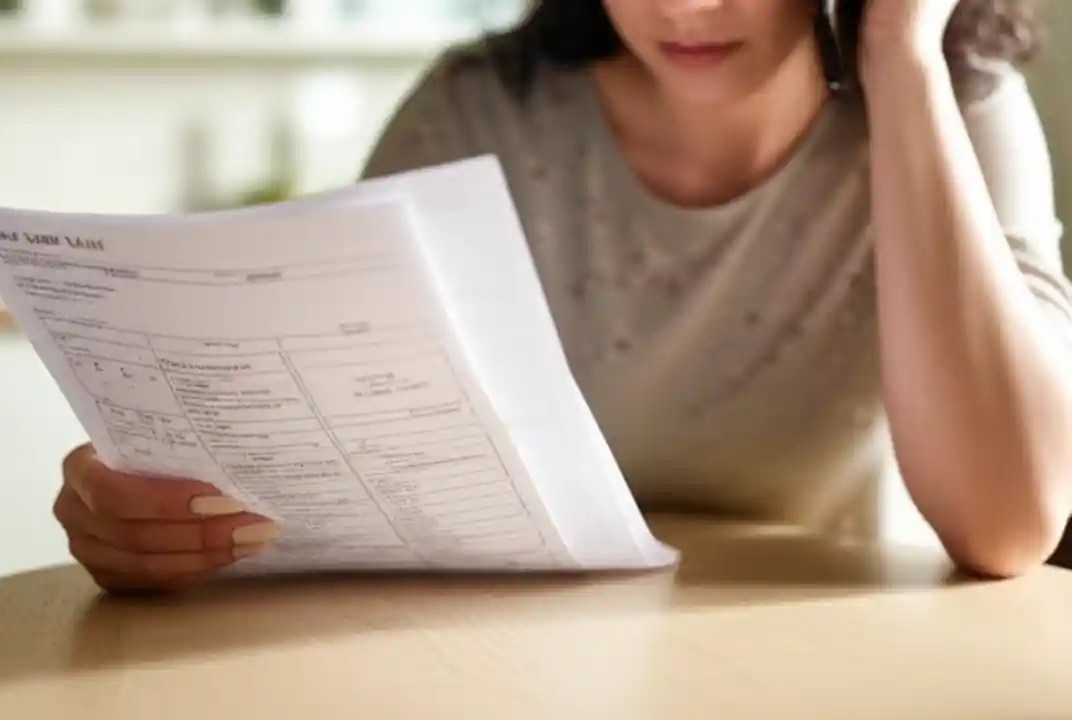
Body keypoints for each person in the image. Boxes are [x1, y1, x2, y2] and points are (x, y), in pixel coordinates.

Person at [53, 0, 1072, 592]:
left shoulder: (953, 111)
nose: (682, 4)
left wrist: (898, 53)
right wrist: (171, 516)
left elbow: (1008, 525)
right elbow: (315, 478)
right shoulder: (479, 111)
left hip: (814, 665)